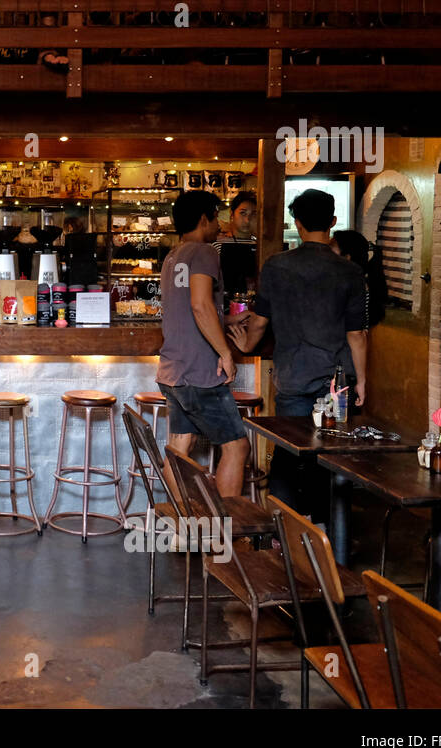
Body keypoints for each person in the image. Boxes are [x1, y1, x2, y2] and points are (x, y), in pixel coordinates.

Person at [229, 189, 369, 519]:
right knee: (330, 454)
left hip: (292, 375)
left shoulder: (277, 266)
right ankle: (324, 530)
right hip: (337, 380)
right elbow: (357, 336)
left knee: (289, 454)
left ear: (298, 223)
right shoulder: (349, 271)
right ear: (333, 222)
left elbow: (260, 322)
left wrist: (247, 345)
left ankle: (282, 530)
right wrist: (362, 380)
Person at [156, 191, 251, 497]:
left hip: (173, 371)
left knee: (179, 445)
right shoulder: (205, 252)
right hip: (199, 374)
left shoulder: (173, 255)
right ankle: (225, 532)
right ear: (203, 219)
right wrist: (225, 353)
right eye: (216, 215)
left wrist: (227, 320)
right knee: (236, 446)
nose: (220, 222)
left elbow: (186, 307)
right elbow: (199, 305)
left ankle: (181, 521)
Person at [331, 229, 388, 329]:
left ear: (347, 257)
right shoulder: (356, 282)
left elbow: (356, 331)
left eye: (329, 249)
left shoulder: (354, 287)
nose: (324, 253)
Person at [213, 190, 258, 297]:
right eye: (243, 213)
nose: (247, 219)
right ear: (232, 214)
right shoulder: (218, 245)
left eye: (254, 214)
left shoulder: (259, 245)